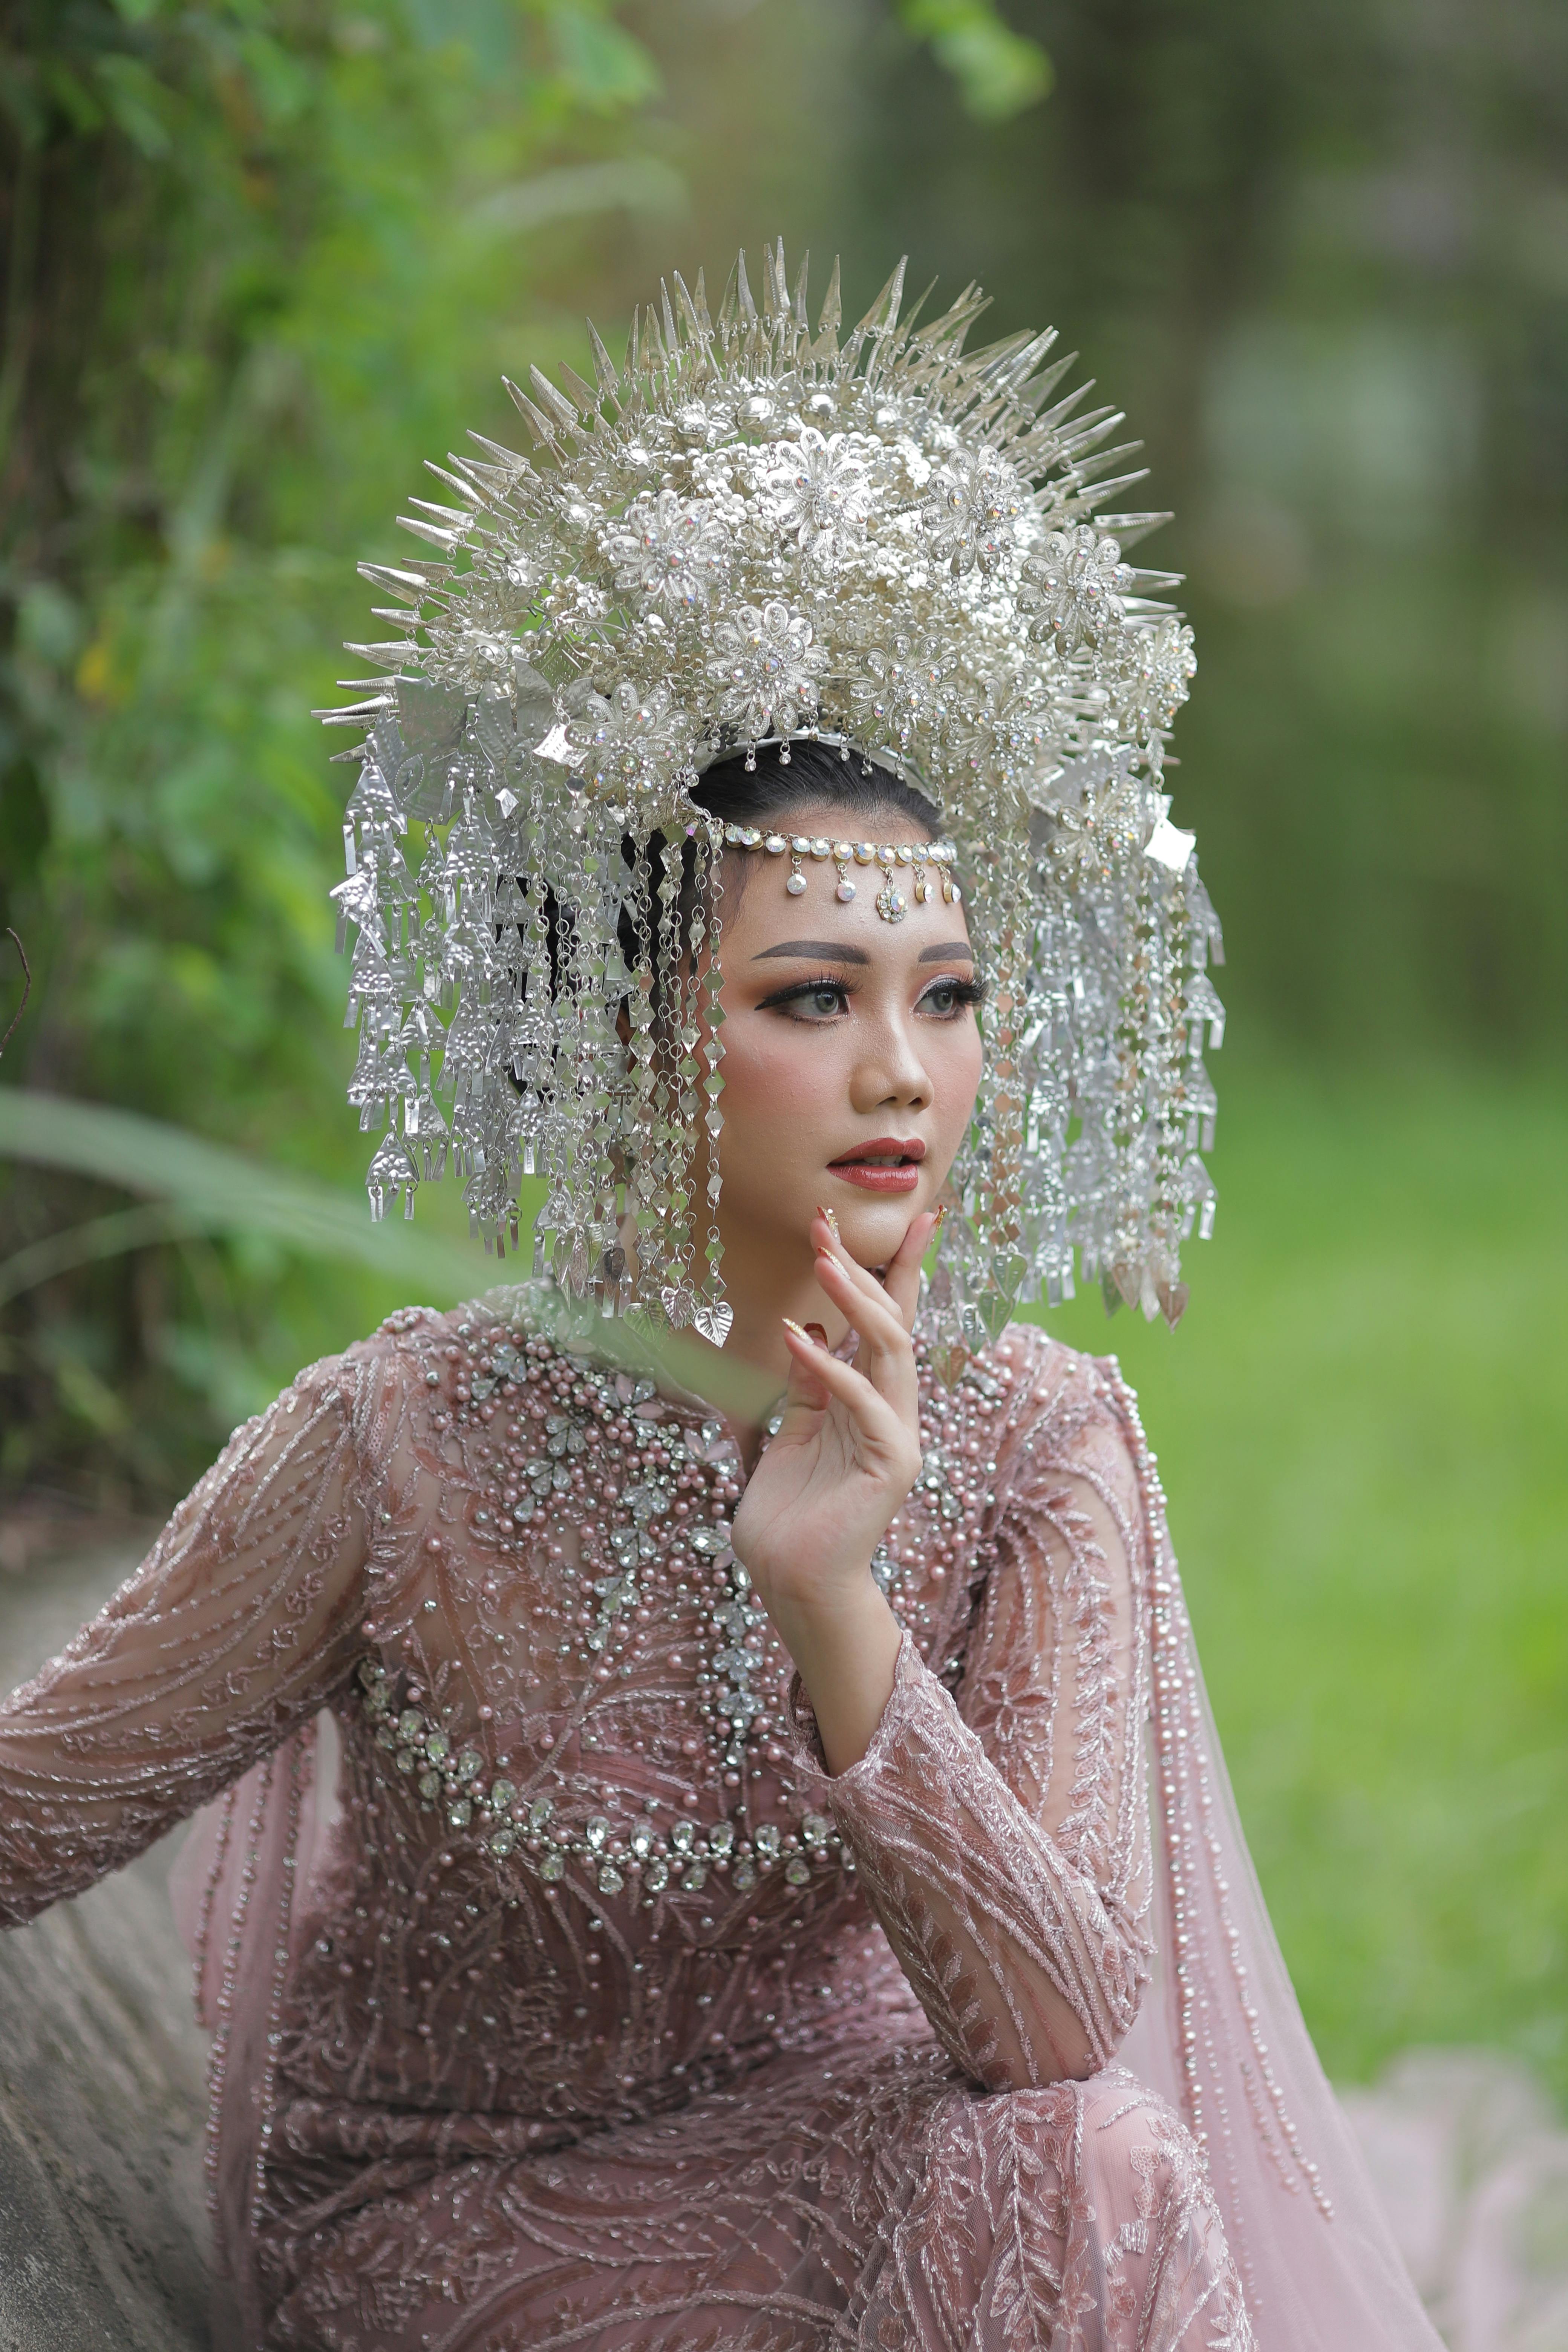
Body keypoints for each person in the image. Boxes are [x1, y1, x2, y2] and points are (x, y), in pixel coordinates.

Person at [0, 247, 1443, 2350]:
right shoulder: (404, 1443)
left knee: (1097, 2175)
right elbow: (31, 1809)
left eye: (949, 996)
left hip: (866, 2178)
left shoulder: (1034, 1442)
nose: (904, 1073)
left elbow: (1061, 2036)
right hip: (458, 2229)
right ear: (637, 1034)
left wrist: (836, 1605)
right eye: (812, 997)